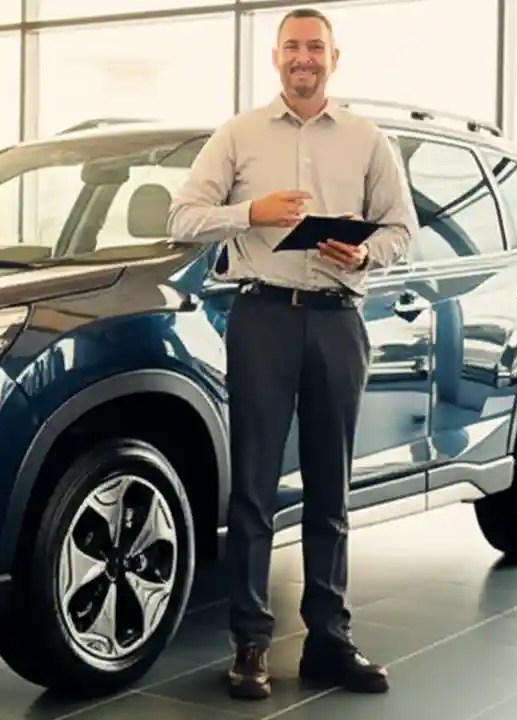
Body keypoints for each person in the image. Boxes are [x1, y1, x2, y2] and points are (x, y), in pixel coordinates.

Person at [167, 6, 417, 701]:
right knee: (252, 487)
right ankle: (249, 642)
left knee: (332, 488)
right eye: (292, 47)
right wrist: (253, 212)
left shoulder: (369, 140)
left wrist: (365, 250)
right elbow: (182, 217)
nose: (303, 57)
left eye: (315, 47)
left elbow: (402, 228)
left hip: (339, 320)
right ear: (275, 57)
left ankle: (329, 639)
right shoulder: (238, 135)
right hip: (263, 317)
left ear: (335, 57)